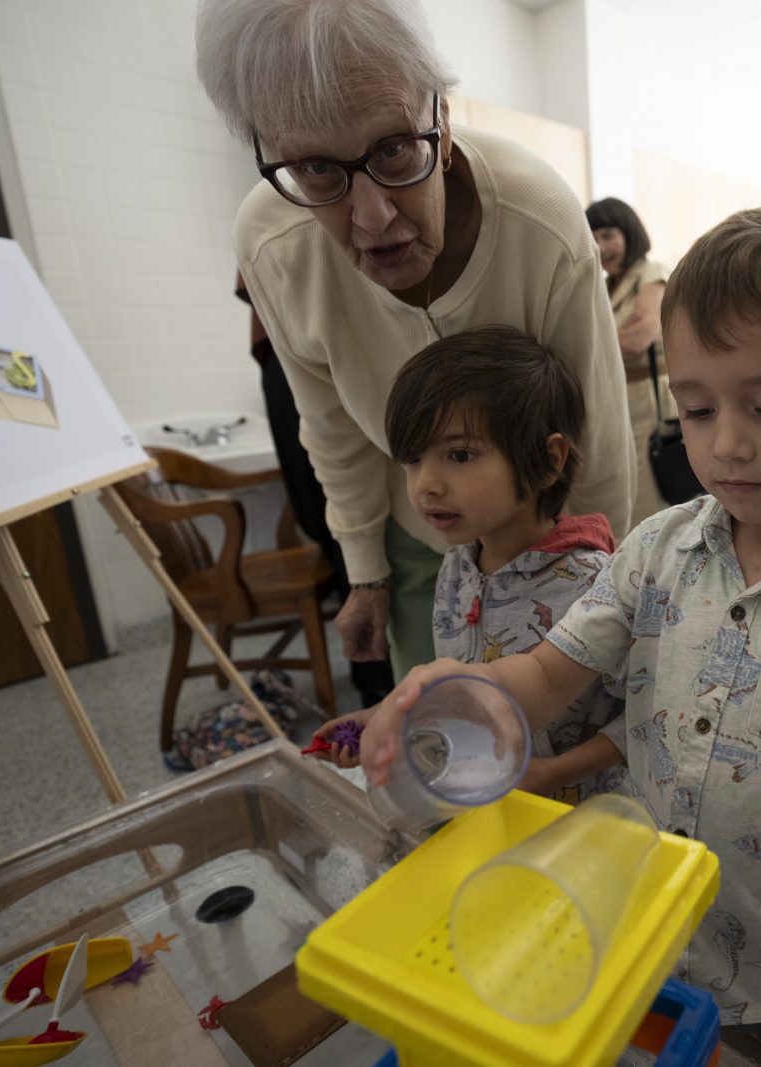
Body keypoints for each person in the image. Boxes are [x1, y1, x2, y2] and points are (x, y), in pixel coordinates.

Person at [362, 201, 761, 1066]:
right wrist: (443, 685)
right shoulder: (655, 549)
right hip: (651, 942)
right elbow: (545, 675)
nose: (727, 443)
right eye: (695, 409)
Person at [195, 0, 634, 681]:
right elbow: (332, 426)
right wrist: (365, 571)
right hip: (419, 537)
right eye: (315, 169)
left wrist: (611, 591)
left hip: (551, 537)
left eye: (396, 149)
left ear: (443, 119)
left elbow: (595, 438)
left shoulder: (538, 219)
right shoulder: (273, 245)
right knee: (440, 731)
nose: (372, 217)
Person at [307, 326, 626, 802]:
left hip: (590, 821)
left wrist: (554, 772)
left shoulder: (595, 583)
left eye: (460, 455)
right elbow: (459, 685)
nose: (425, 485)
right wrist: (377, 717)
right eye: (413, 459)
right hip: (498, 805)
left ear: (546, 460)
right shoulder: (457, 567)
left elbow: (648, 714)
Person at [236, 273, 396, 709]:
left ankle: (379, 679)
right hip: (297, 349)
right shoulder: (273, 239)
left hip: (310, 343)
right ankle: (377, 680)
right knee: (337, 522)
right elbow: (334, 454)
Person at [587, 197, 672, 524]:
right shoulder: (605, 287)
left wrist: (586, 346)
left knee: (648, 498)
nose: (601, 246)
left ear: (630, 232)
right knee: (625, 493)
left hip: (649, 400)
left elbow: (640, 337)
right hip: (618, 398)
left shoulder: (651, 272)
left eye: (608, 235)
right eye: (593, 237)